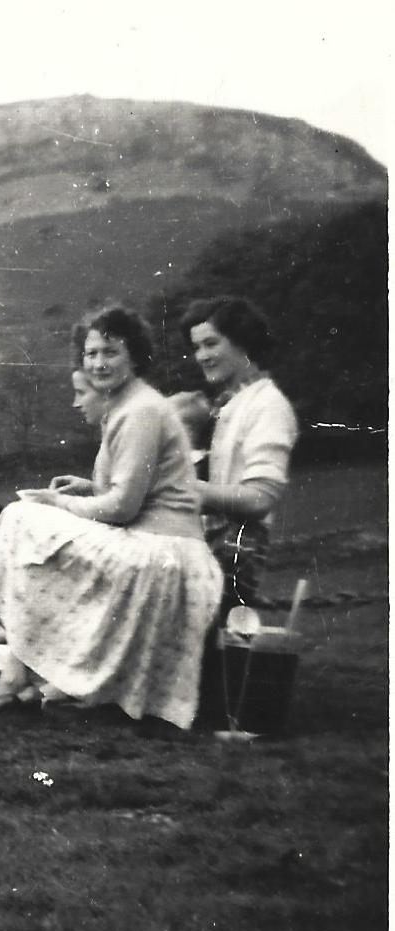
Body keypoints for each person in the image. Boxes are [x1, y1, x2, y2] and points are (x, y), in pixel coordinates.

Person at [0, 306, 222, 727]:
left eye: (109, 352)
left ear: (136, 356)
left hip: (165, 553)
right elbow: (139, 492)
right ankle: (10, 676)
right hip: (153, 544)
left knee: (21, 517)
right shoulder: (130, 406)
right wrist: (87, 489)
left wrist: (61, 505)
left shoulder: (141, 410)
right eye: (90, 354)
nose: (97, 363)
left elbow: (123, 508)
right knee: (30, 534)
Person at [179, 297, 300, 727]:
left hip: (238, 547)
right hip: (211, 541)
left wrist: (188, 490)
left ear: (243, 341)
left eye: (211, 343)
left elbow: (260, 498)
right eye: (197, 347)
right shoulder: (231, 404)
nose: (202, 356)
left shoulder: (269, 407)